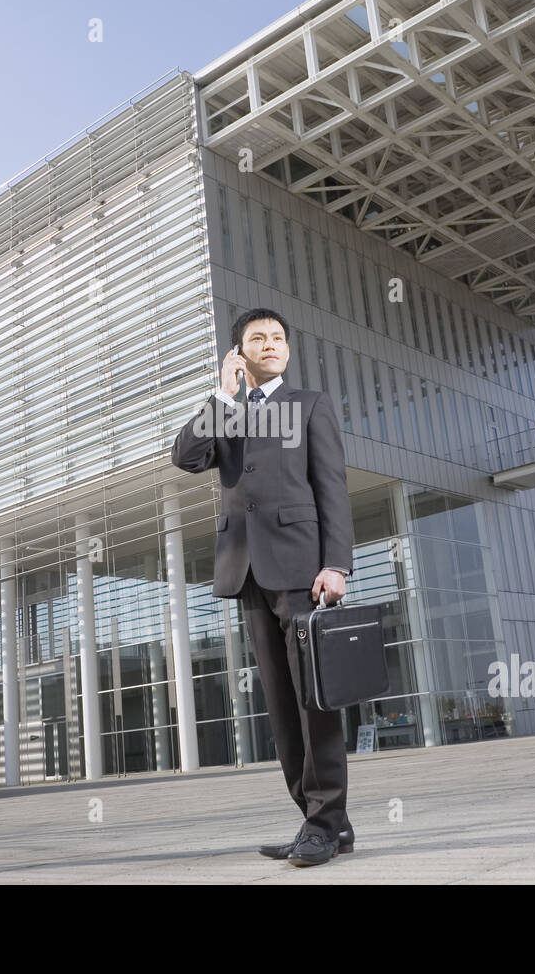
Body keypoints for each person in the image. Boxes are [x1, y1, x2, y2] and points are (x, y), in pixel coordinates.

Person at [170, 307, 356, 866]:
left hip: (303, 571)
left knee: (312, 701)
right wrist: (222, 398)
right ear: (238, 352)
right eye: (258, 338)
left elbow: (333, 489)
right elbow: (187, 457)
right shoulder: (226, 412)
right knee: (279, 705)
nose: (271, 344)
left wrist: (337, 565)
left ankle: (324, 822)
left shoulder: (310, 406)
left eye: (278, 337)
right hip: (247, 572)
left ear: (287, 350)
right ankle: (323, 823)